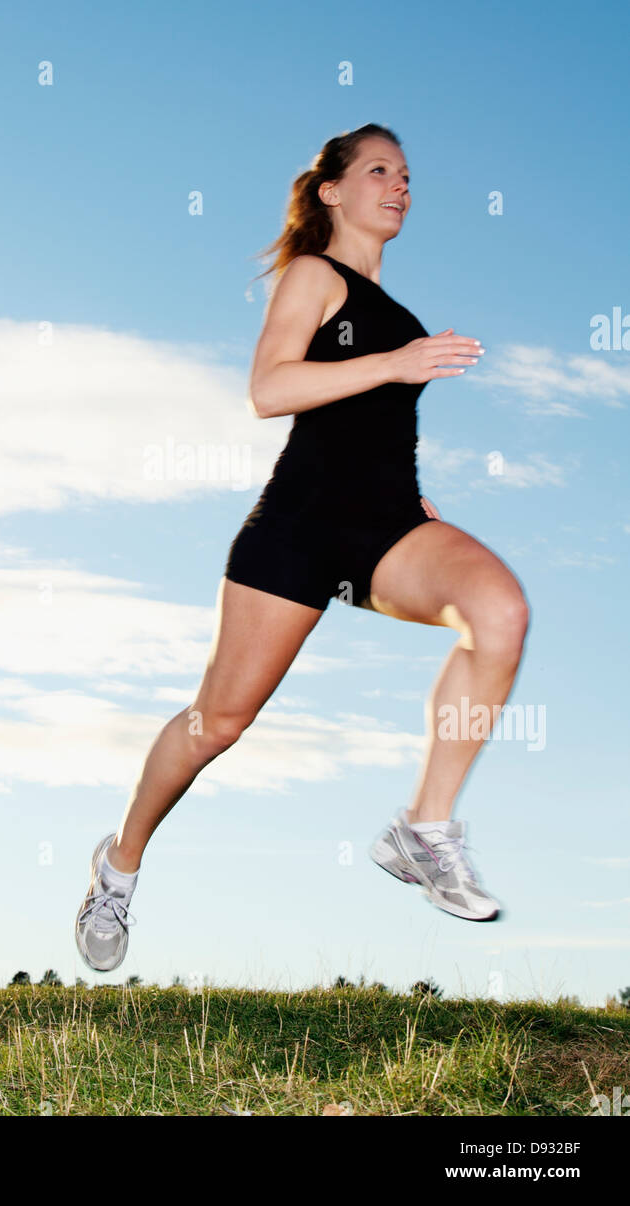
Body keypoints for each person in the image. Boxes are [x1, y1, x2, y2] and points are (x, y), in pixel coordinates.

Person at [75, 123, 530, 973]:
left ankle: (423, 829)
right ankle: (119, 863)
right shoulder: (313, 276)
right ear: (332, 190)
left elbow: (370, 427)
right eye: (379, 171)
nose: (399, 186)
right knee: (219, 721)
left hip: (388, 522)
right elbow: (271, 388)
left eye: (406, 176)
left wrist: (414, 496)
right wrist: (397, 364)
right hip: (298, 528)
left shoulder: (399, 316)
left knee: (499, 612)